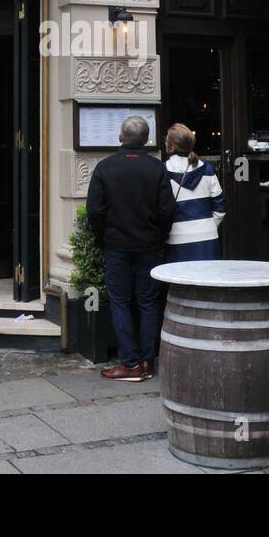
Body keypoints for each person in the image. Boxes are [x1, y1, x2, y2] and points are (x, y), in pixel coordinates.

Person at [86, 116, 175, 382]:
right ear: (147, 140)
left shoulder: (105, 168)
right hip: (148, 244)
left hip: (117, 244)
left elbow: (94, 210)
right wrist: (159, 235)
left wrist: (103, 236)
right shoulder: (157, 168)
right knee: (148, 302)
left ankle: (130, 363)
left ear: (120, 137)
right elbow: (167, 209)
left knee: (120, 301)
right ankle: (147, 362)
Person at [163, 123, 226, 263]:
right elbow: (220, 208)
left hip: (175, 238)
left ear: (171, 147)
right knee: (207, 282)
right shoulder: (208, 170)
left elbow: (161, 209)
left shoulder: (163, 172)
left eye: (166, 140)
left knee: (180, 282)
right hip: (208, 239)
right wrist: (208, 225)